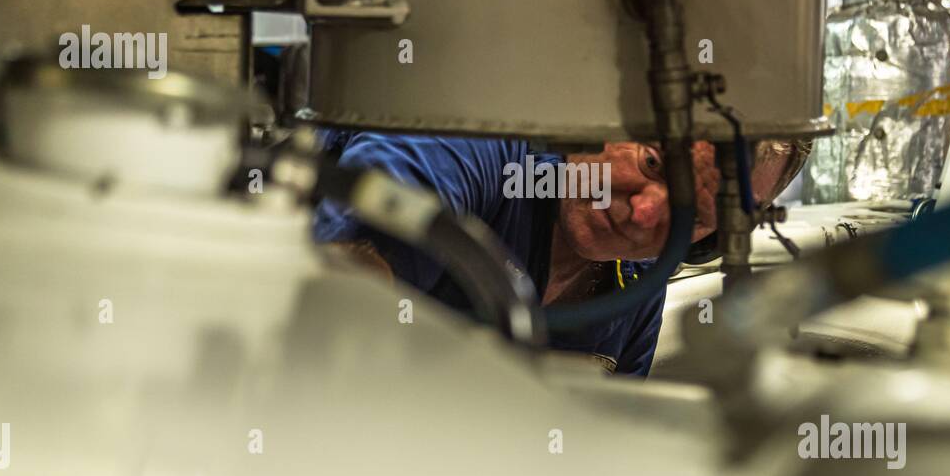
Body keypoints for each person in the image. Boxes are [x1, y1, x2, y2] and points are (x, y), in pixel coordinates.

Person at [314, 131, 809, 376]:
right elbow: (343, 280)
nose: (643, 214)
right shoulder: (481, 145)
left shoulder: (637, 286)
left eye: (691, 216)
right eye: (652, 163)